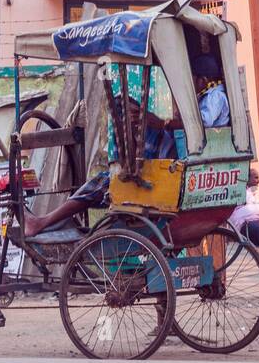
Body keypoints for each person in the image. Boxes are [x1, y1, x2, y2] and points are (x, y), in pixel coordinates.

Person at [22, 53, 230, 238]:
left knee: (102, 184)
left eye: (192, 80)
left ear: (203, 79)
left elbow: (200, 123)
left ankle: (43, 222)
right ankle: (53, 220)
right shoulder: (209, 96)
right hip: (173, 159)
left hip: (177, 169)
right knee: (126, 107)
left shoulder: (215, 96)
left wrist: (161, 122)